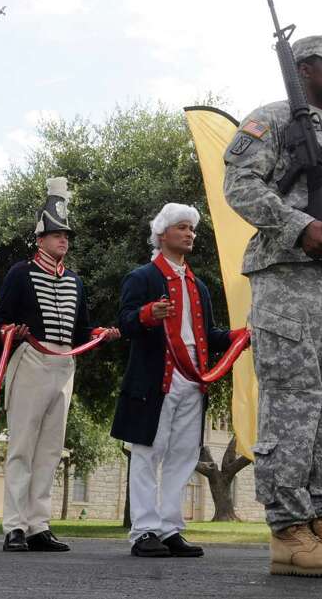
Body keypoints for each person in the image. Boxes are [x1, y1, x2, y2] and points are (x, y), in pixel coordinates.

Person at [223, 34, 322, 578]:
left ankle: (320, 522)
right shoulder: (270, 120)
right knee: (293, 397)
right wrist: (297, 225)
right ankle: (288, 529)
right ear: (304, 68)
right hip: (287, 275)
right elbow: (240, 186)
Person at [0, 178, 120, 553]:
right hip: (31, 360)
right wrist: (13, 332)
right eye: (56, 234)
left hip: (64, 365)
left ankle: (39, 524)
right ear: (40, 239)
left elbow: (81, 330)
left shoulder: (75, 281)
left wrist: (101, 334)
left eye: (65, 235)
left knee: (50, 449)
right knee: (22, 446)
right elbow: (0, 321)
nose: (63, 240)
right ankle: (14, 526)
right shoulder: (20, 273)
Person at [112, 203, 236, 559]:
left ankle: (169, 529)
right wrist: (148, 314)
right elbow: (125, 322)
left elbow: (207, 335)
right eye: (182, 227)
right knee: (147, 453)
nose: (189, 234)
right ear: (162, 234)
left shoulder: (199, 286)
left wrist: (237, 337)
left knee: (183, 456)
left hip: (193, 380)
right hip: (154, 381)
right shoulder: (142, 278)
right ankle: (144, 531)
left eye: (192, 229)